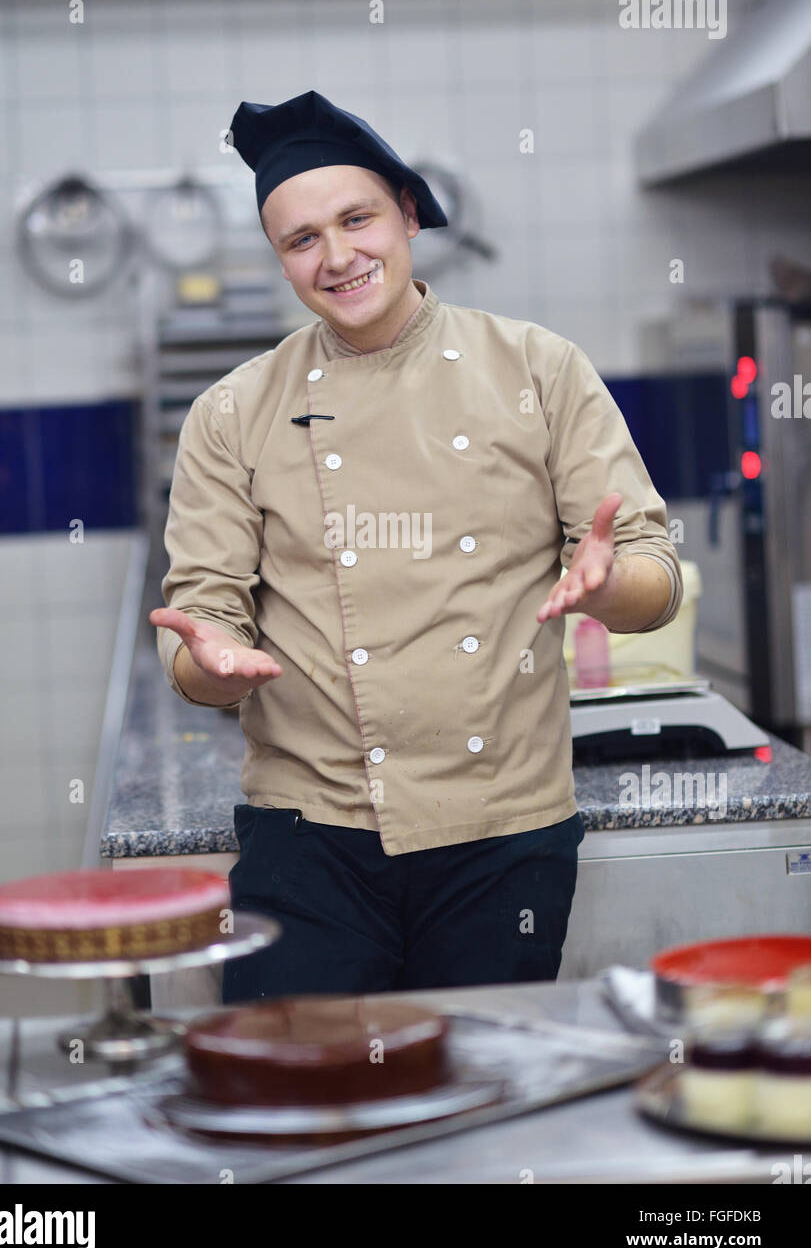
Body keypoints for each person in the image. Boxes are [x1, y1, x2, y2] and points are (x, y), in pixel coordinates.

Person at [150, 89, 682, 1003]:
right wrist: (211, 667)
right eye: (301, 239)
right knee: (301, 1107)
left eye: (355, 219)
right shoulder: (232, 411)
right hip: (307, 833)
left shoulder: (536, 369)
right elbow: (198, 618)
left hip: (502, 833)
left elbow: (651, 573)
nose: (337, 256)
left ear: (406, 213)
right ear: (281, 261)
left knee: (479, 1108)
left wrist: (607, 587)